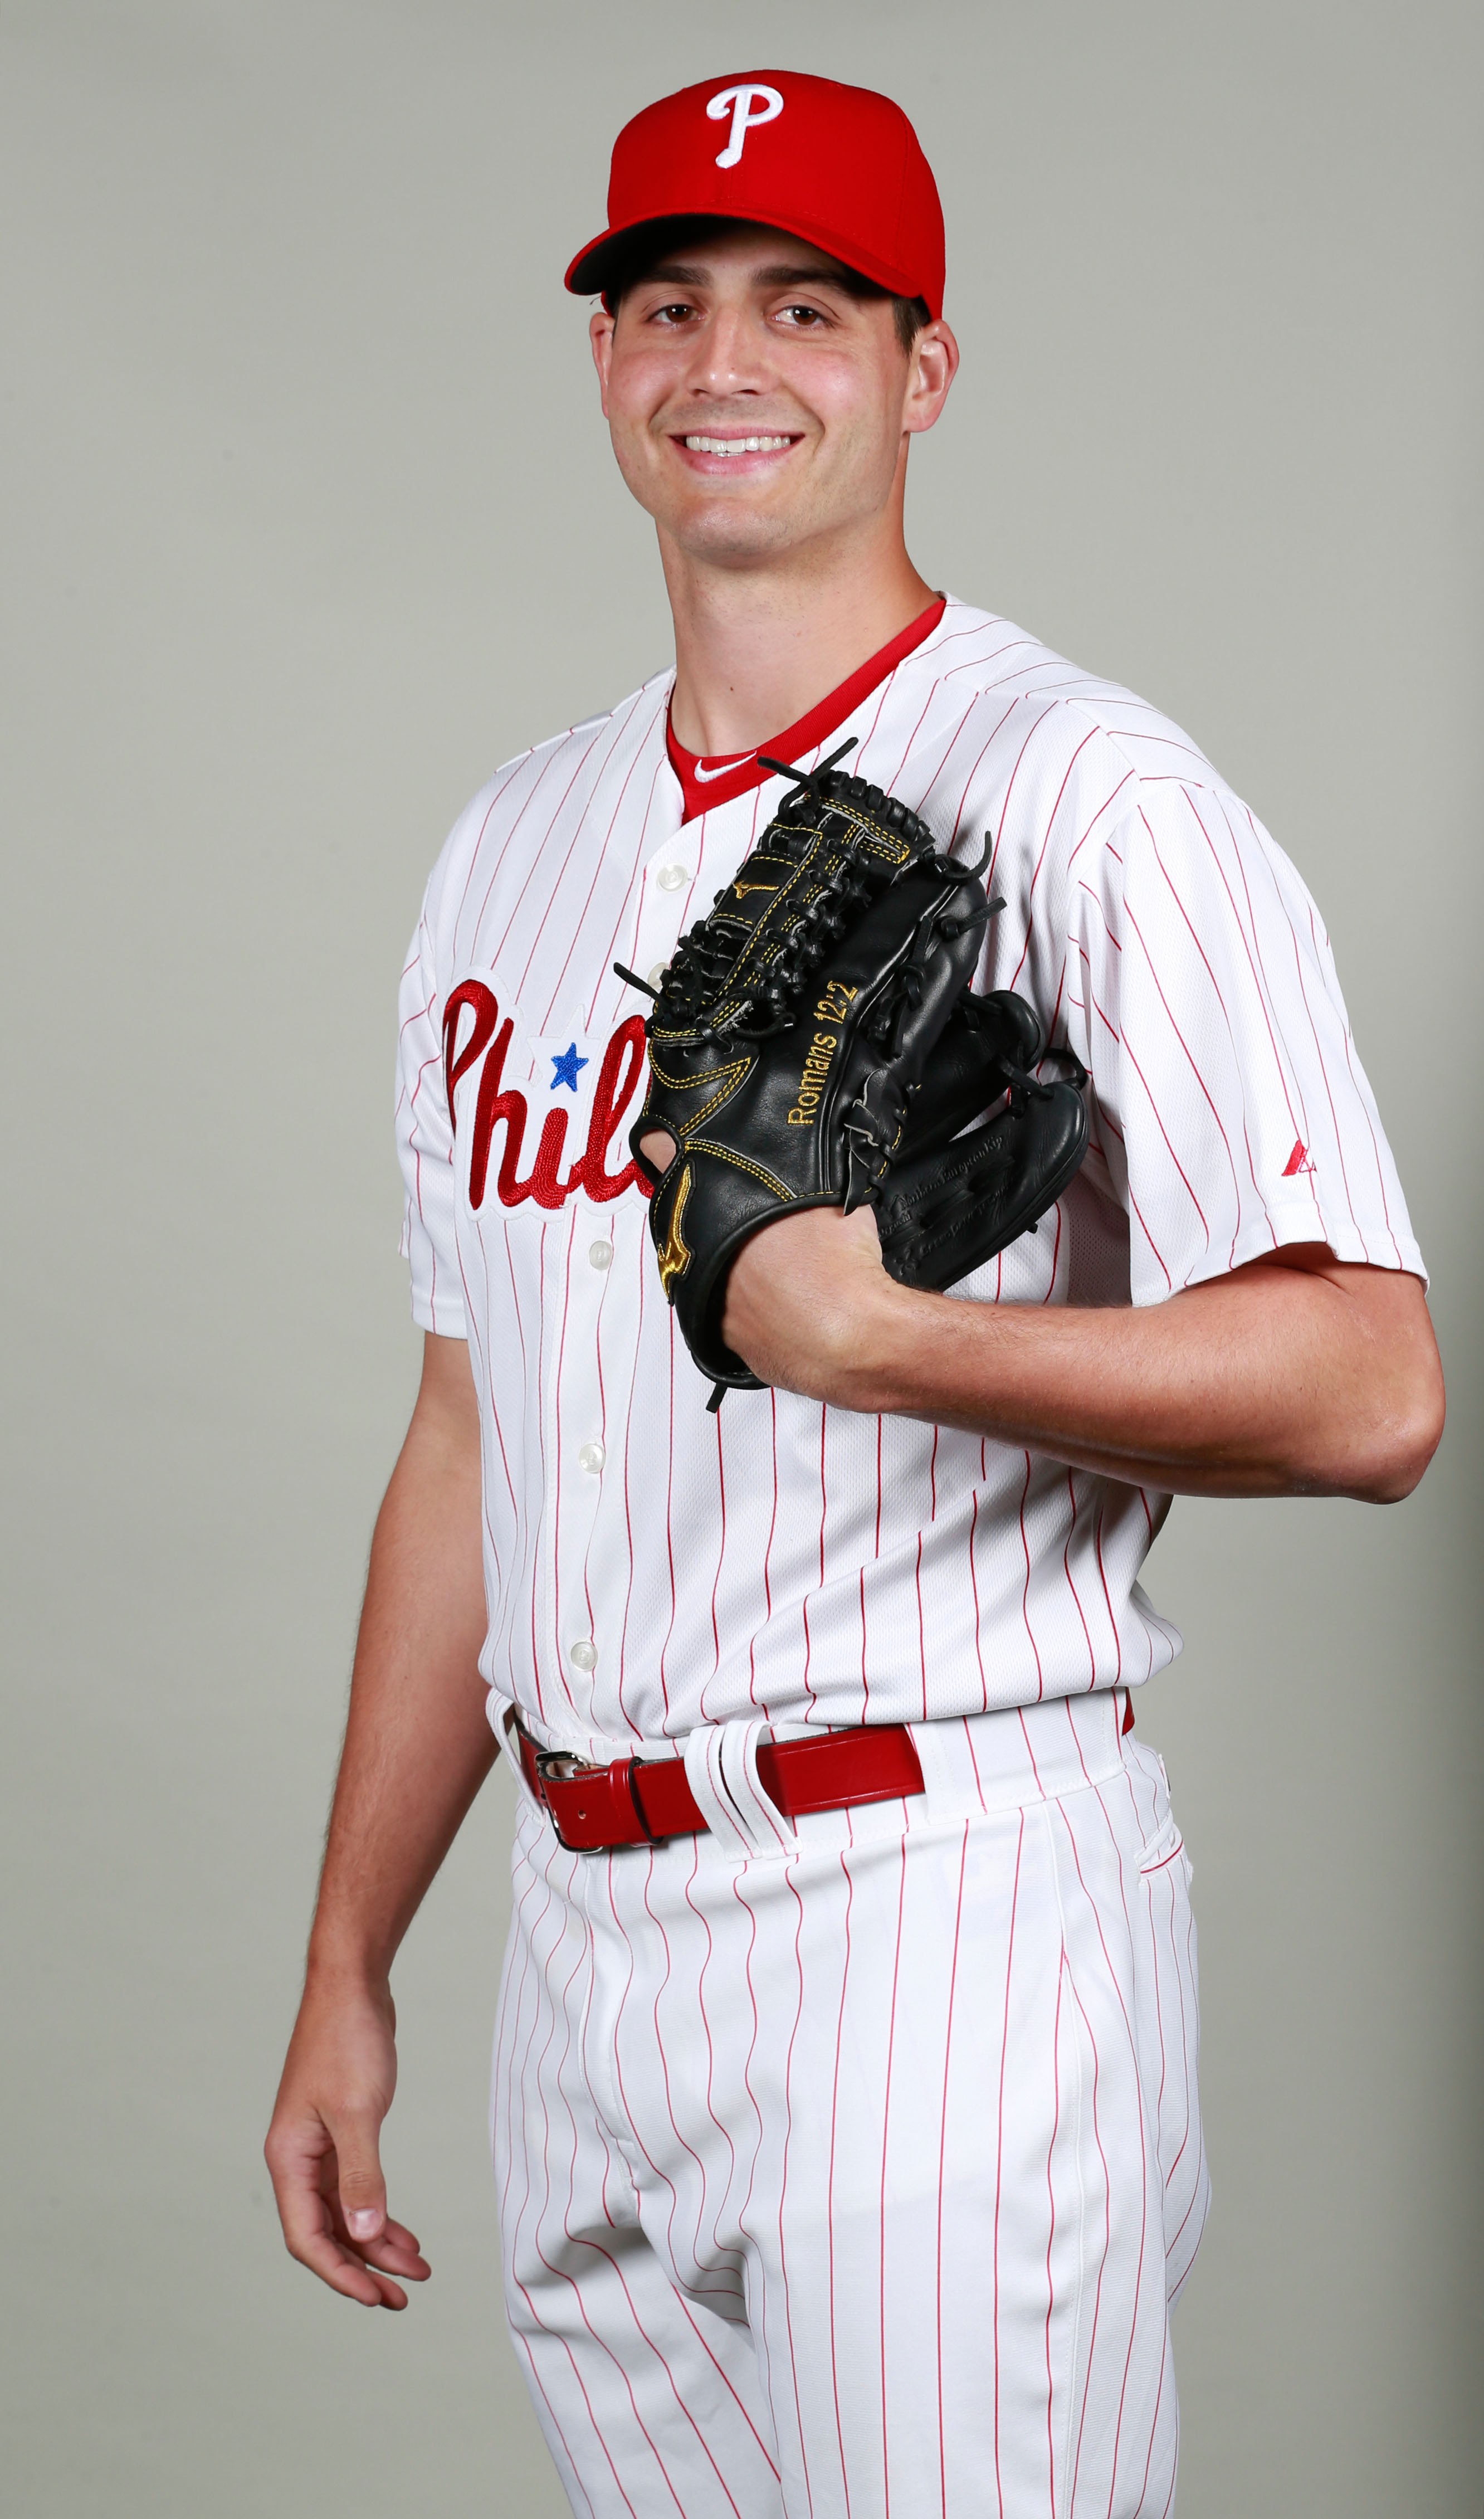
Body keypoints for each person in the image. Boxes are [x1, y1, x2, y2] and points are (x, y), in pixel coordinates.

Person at [265, 69, 1444, 2518]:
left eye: (810, 306)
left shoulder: (1090, 796)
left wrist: (892, 1339)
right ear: (602, 358)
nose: (730, 361)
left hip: (935, 1907)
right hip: (583, 1944)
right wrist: (351, 1962)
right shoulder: (512, 847)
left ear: (921, 368)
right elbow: (469, 1436)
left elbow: (1373, 1385)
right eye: (670, 302)